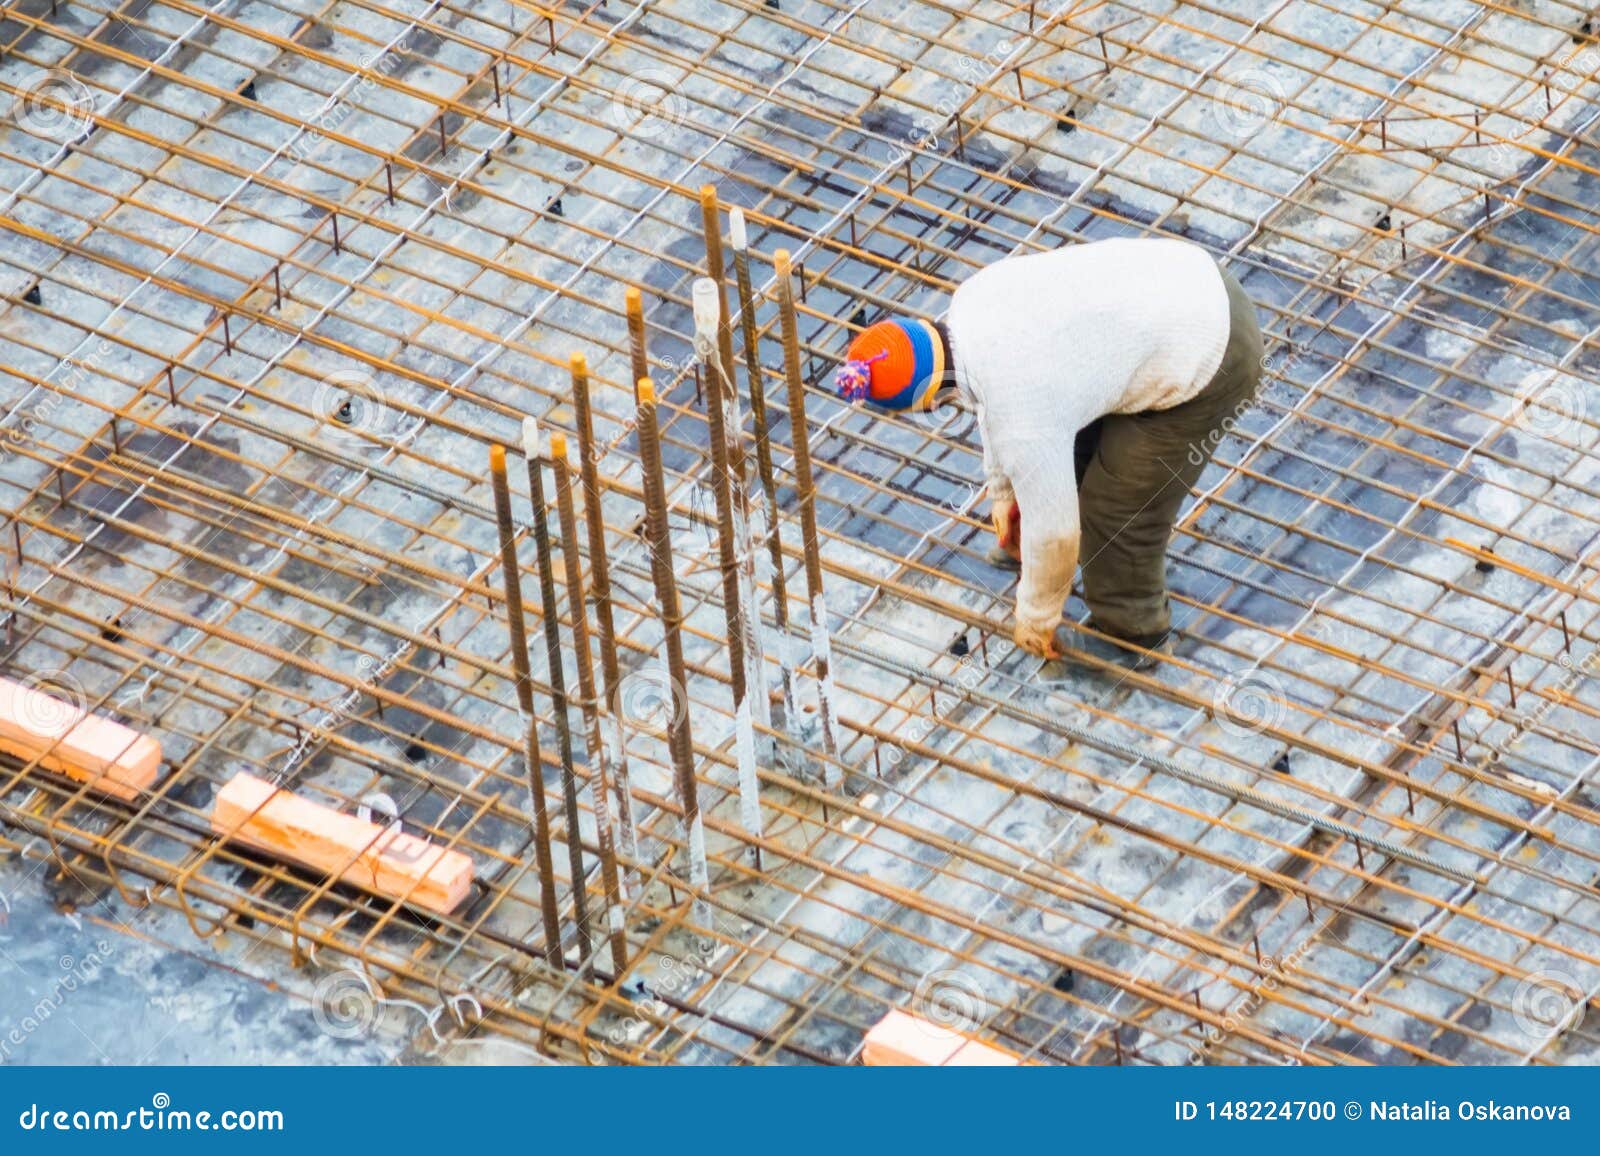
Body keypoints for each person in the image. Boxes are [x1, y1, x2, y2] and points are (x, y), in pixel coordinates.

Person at [834, 236, 1263, 664]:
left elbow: (1056, 532)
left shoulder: (1022, 410)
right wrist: (1005, 493)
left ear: (926, 399)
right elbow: (987, 392)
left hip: (1213, 349)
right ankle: (1059, 540)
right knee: (1067, 450)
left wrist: (1036, 618)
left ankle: (1133, 635)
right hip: (1187, 276)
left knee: (1114, 513)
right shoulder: (971, 302)